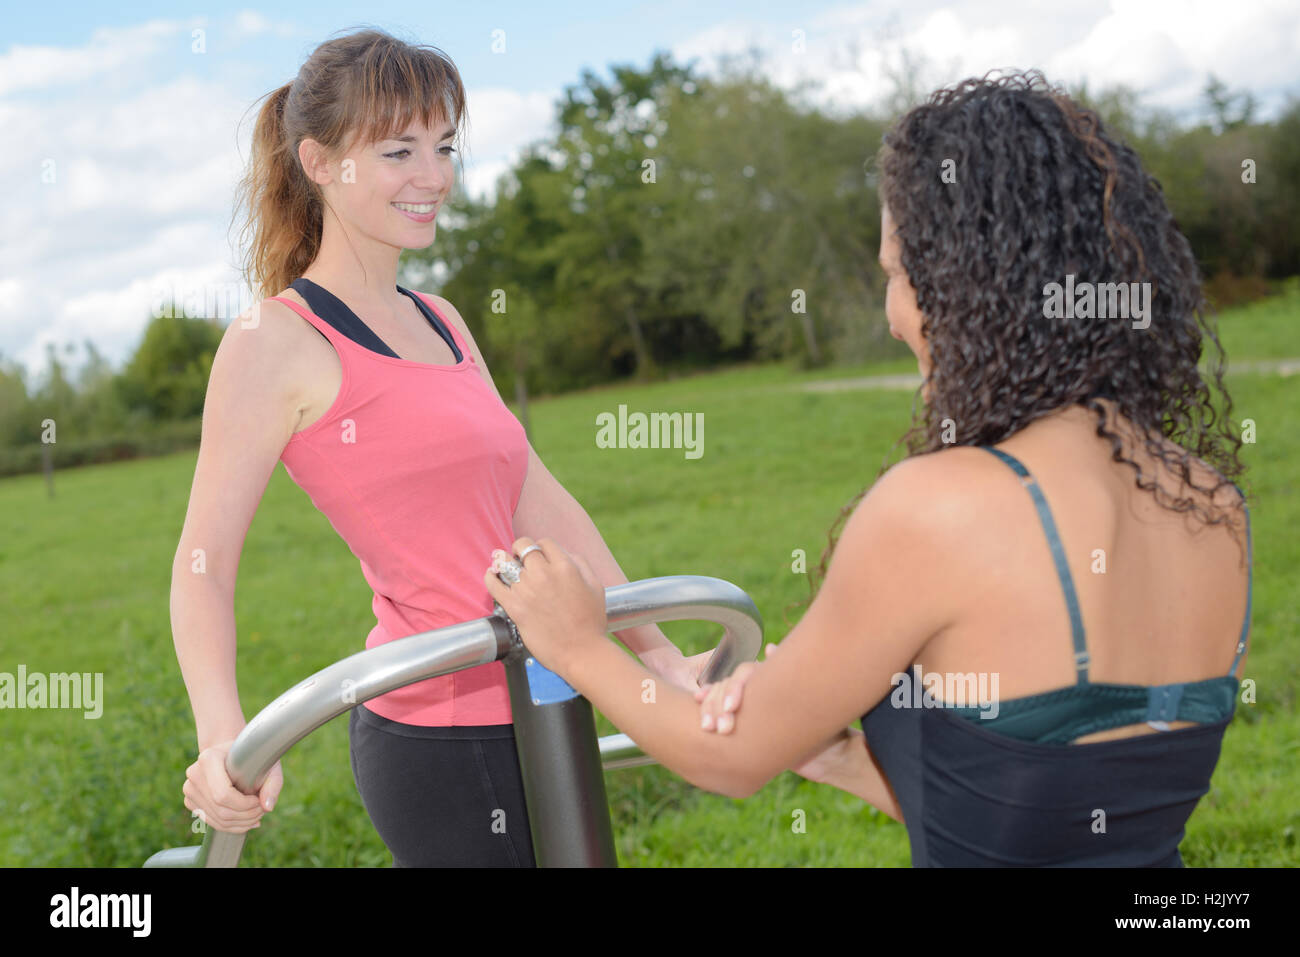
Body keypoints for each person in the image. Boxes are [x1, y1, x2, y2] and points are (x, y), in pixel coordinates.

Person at [485, 70, 1254, 867]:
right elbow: (1064, 819)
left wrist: (577, 643)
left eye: (894, 272)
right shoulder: (1214, 507)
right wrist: (845, 759)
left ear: (967, 281)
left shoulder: (942, 507)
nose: (892, 315)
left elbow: (728, 756)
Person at [169, 28, 711, 867]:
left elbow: (540, 503)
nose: (435, 176)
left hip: (551, 690)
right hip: (438, 734)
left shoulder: (443, 319)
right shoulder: (270, 342)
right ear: (319, 163)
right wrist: (222, 736)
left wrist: (659, 652)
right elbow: (203, 565)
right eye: (399, 151)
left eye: (444, 145)